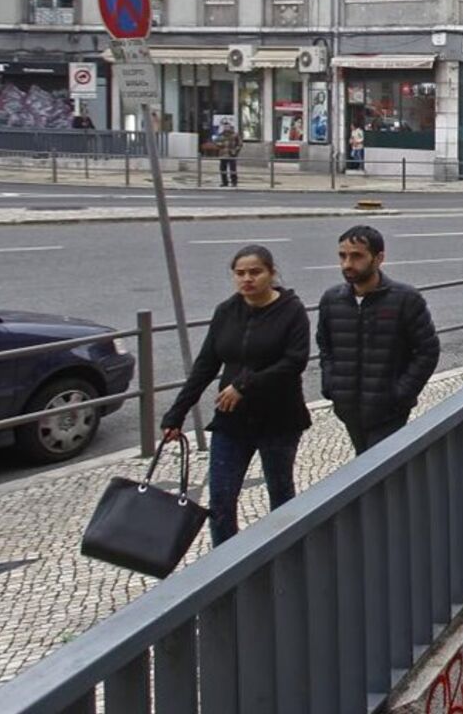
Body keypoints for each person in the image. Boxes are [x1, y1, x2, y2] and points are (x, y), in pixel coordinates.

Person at [160, 245, 310, 546]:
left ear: (271, 273)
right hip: (232, 421)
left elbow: (295, 362)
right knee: (221, 500)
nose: (247, 279)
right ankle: (225, 566)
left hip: (278, 419)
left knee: (281, 493)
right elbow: (205, 365)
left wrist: (244, 385)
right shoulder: (226, 311)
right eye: (240, 273)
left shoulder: (291, 310)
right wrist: (177, 413)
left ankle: (285, 552)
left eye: (255, 272)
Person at [317, 225, 441, 455]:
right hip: (349, 408)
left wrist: (400, 394)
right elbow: (326, 346)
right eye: (342, 256)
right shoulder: (332, 299)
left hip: (388, 411)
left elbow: (427, 351)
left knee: (380, 474)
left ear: (378, 258)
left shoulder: (405, 299)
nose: (347, 264)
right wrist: (331, 386)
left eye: (357, 256)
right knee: (364, 463)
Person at [217, 122, 242, 187]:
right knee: (222, 169)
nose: (226, 128)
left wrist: (236, 151)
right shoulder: (221, 135)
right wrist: (219, 144)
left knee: (233, 169)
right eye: (225, 127)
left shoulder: (235, 135)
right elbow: (217, 142)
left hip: (231, 154)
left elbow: (240, 144)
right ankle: (224, 182)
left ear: (230, 127)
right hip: (223, 154)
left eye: (227, 126)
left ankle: (234, 182)